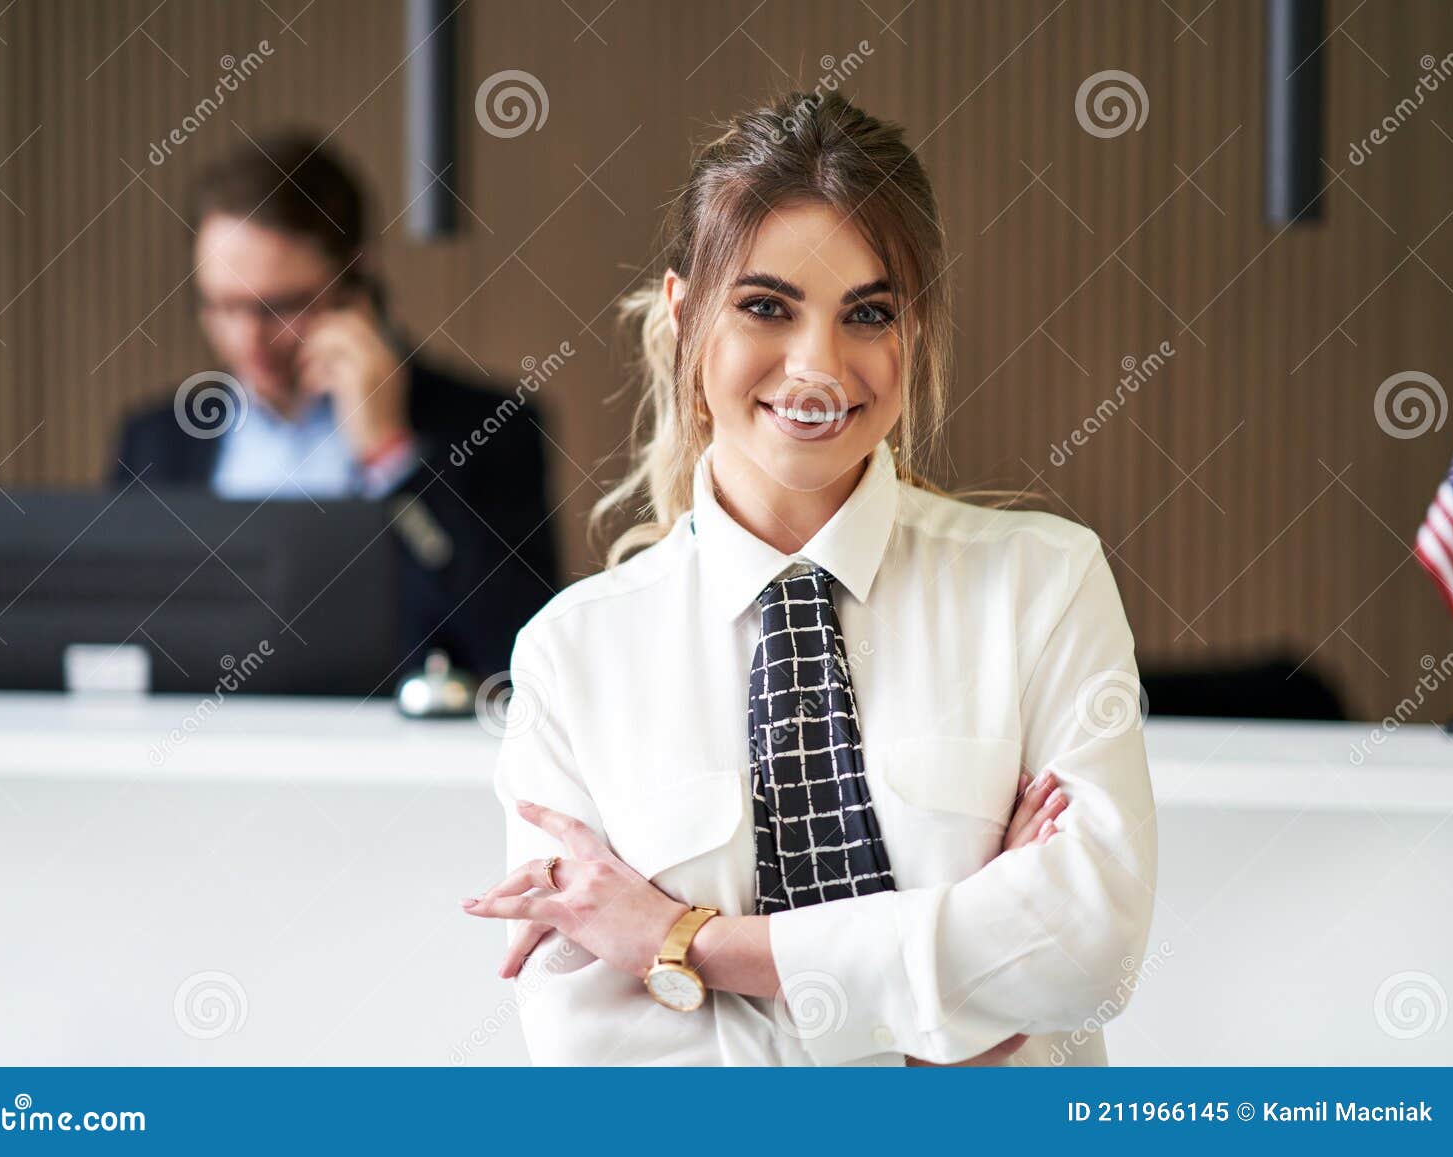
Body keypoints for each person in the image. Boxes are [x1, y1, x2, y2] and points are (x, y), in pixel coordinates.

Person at [463, 92, 1158, 1066]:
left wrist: (687, 943)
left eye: (866, 312)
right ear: (684, 317)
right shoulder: (574, 655)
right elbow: (598, 1059)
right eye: (765, 306)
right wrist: (953, 1021)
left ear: (910, 332)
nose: (817, 366)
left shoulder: (1041, 585)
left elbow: (1088, 956)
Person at [110, 132, 558, 681]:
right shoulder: (156, 442)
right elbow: (123, 641)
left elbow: (516, 647)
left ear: (354, 283)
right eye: (222, 306)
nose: (248, 339)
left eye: (280, 306)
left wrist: (391, 457)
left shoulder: (489, 427)